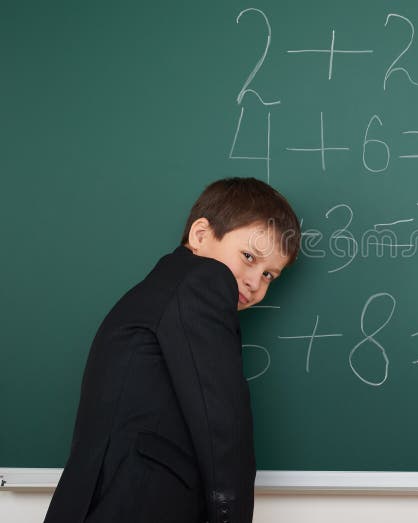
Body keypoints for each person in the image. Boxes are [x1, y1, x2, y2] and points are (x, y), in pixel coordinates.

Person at [44, 177, 301, 523]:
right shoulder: (203, 282)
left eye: (270, 275)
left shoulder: (162, 289)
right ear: (200, 235)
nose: (255, 282)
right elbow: (223, 424)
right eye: (248, 256)